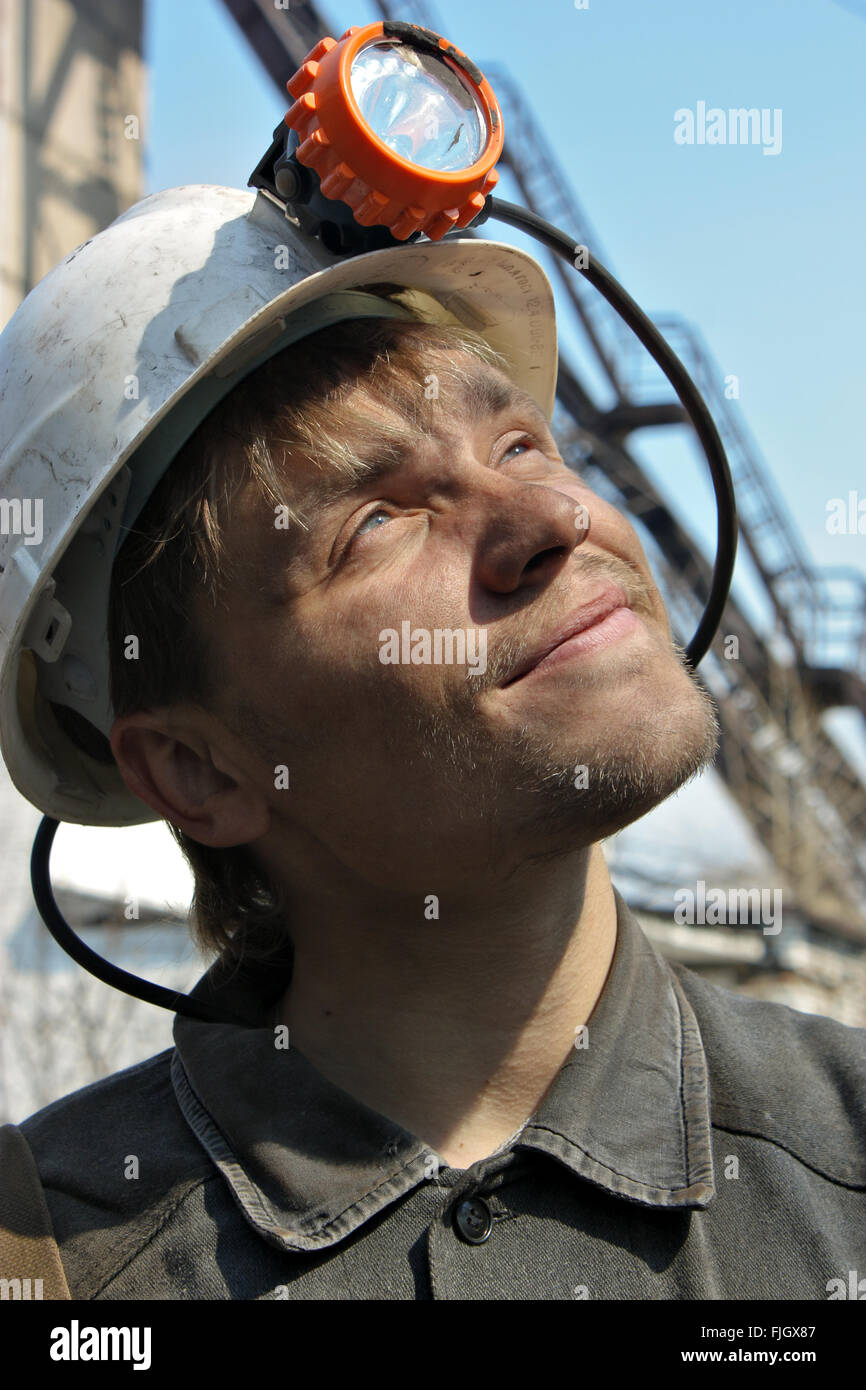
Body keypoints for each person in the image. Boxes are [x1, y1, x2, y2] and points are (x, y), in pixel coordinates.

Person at [1, 185, 864, 1302]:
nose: (553, 520)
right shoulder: (47, 1273)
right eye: (373, 522)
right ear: (199, 770)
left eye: (519, 441)